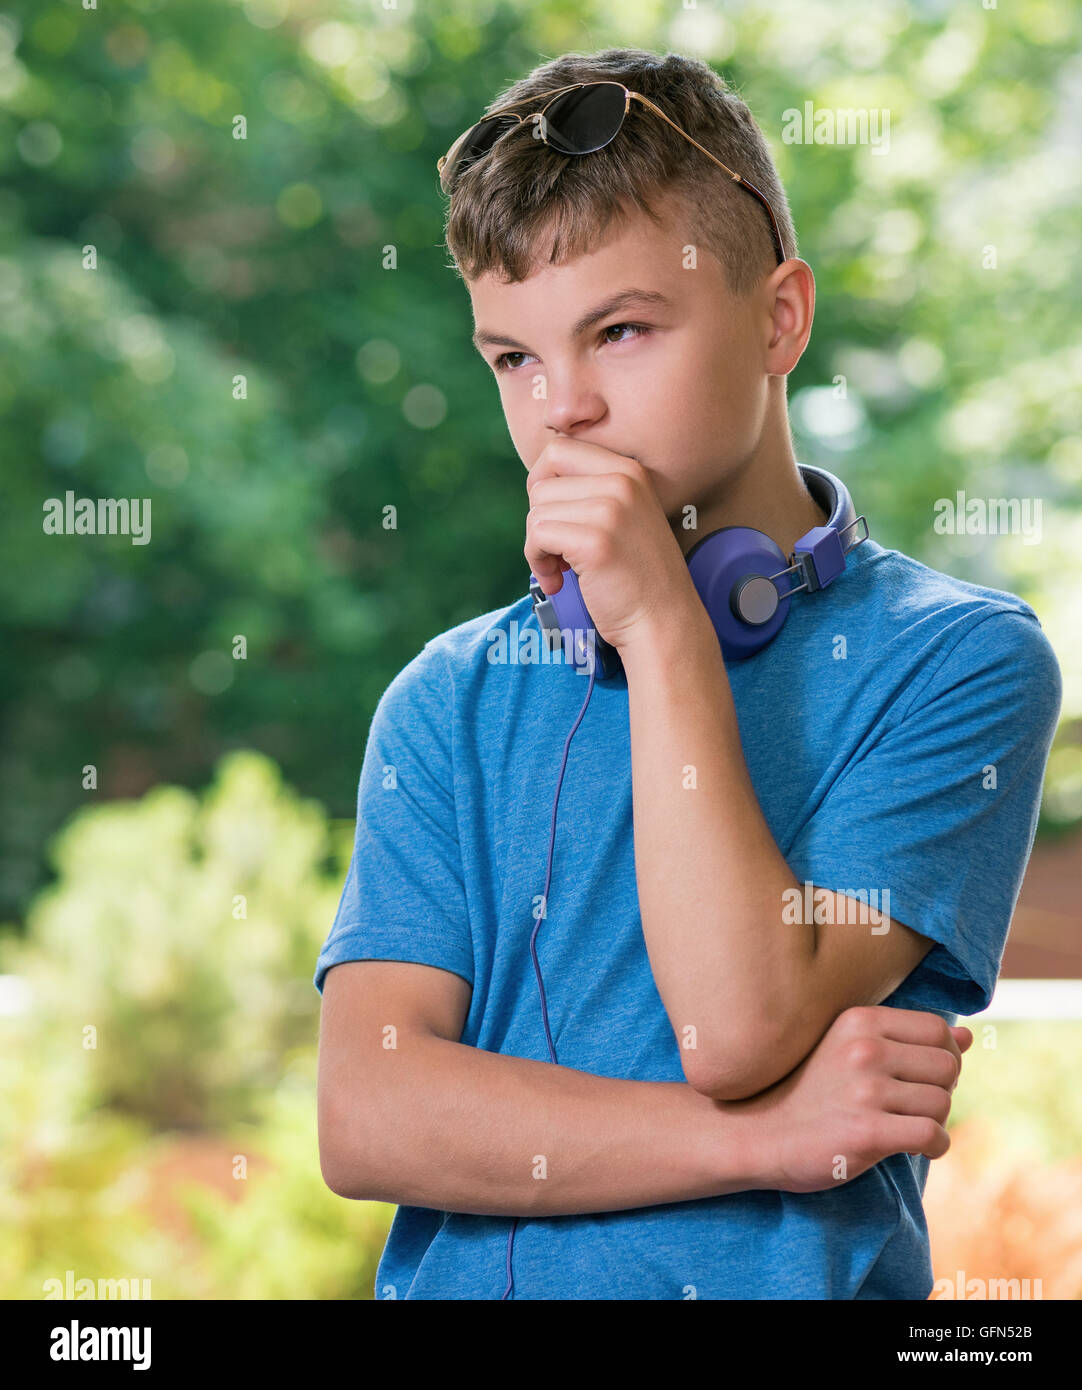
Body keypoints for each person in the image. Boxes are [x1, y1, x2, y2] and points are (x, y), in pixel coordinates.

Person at [313, 48, 1061, 1300]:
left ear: (779, 317)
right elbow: (369, 1111)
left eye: (619, 330)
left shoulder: (956, 663)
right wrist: (758, 1141)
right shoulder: (449, 698)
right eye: (514, 358)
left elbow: (737, 1023)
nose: (563, 410)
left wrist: (662, 627)